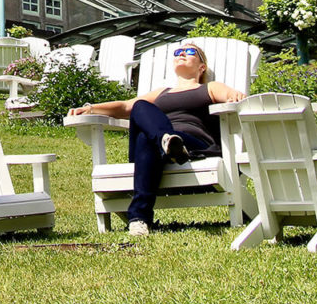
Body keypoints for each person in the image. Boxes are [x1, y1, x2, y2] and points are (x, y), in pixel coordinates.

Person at [67, 42, 246, 236]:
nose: (182, 54)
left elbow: (232, 96)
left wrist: (235, 96)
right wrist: (91, 108)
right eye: (178, 51)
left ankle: (139, 218)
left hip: (193, 146)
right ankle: (165, 140)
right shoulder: (161, 92)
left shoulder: (209, 88)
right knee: (140, 106)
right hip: (160, 149)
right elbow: (125, 107)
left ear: (202, 67)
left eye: (190, 51)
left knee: (145, 138)